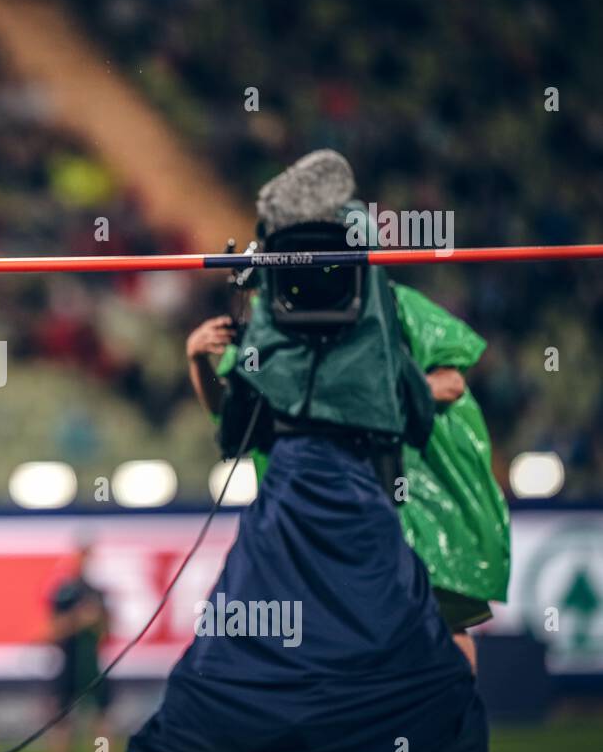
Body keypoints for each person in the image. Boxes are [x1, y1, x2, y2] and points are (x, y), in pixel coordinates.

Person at [128, 150, 490, 752]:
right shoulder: (371, 299)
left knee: (241, 625)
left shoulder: (272, 300)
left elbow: (237, 431)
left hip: (291, 487)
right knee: (401, 624)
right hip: (361, 490)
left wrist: (224, 358)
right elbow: (411, 413)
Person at [185, 283, 510, 675]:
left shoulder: (391, 304)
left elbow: (449, 383)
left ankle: (458, 725)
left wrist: (362, 396)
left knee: (441, 621)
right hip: (319, 506)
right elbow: (233, 417)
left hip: (401, 494)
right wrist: (198, 360)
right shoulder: (272, 334)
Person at [44, 545, 113, 752]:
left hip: (92, 665)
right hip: (69, 665)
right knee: (63, 724)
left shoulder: (97, 592)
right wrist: (79, 620)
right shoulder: (65, 592)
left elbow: (106, 632)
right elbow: (53, 631)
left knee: (100, 722)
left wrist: (98, 622)